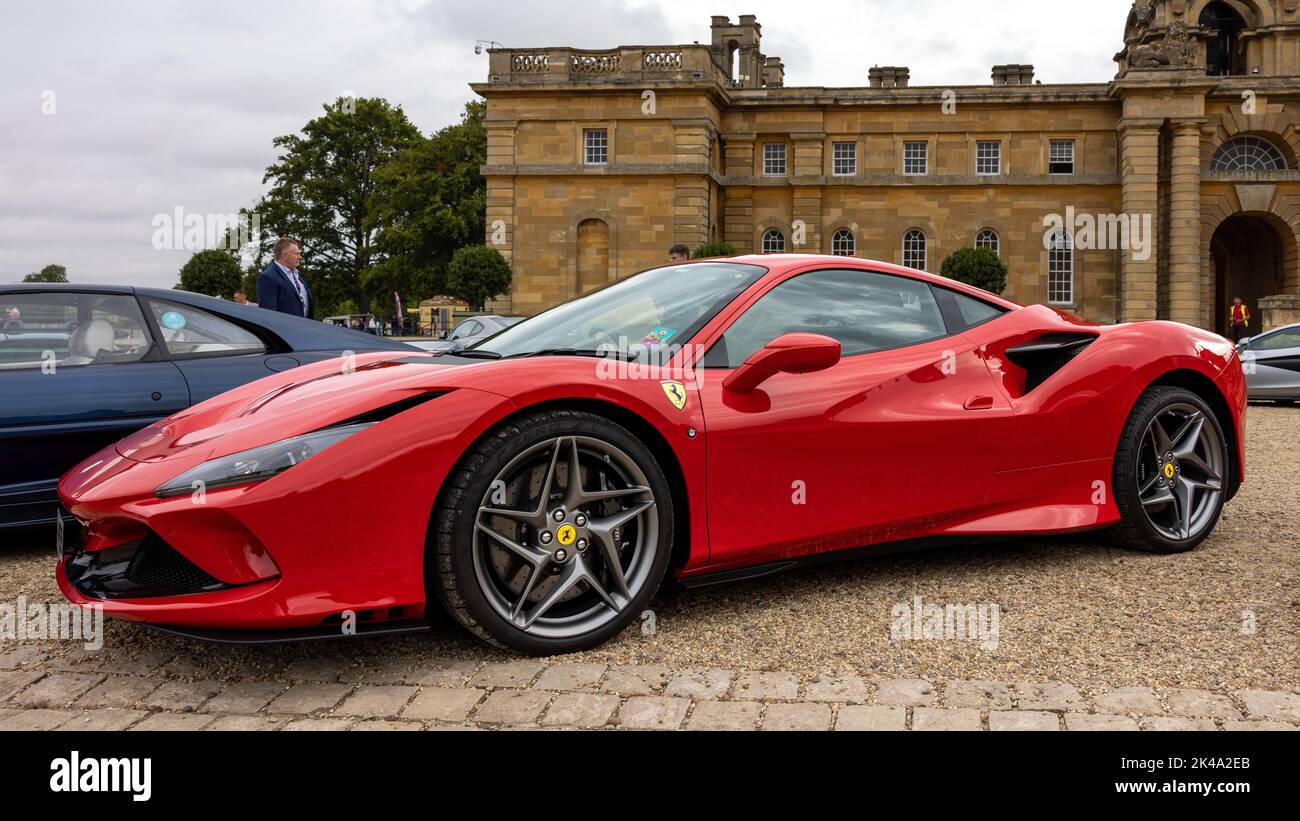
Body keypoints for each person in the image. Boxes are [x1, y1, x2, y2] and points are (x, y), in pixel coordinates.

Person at [256, 238, 312, 317]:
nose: (300, 257)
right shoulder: (268, 277)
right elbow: (269, 315)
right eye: (297, 254)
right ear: (285, 255)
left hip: (304, 327)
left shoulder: (297, 276)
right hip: (286, 329)